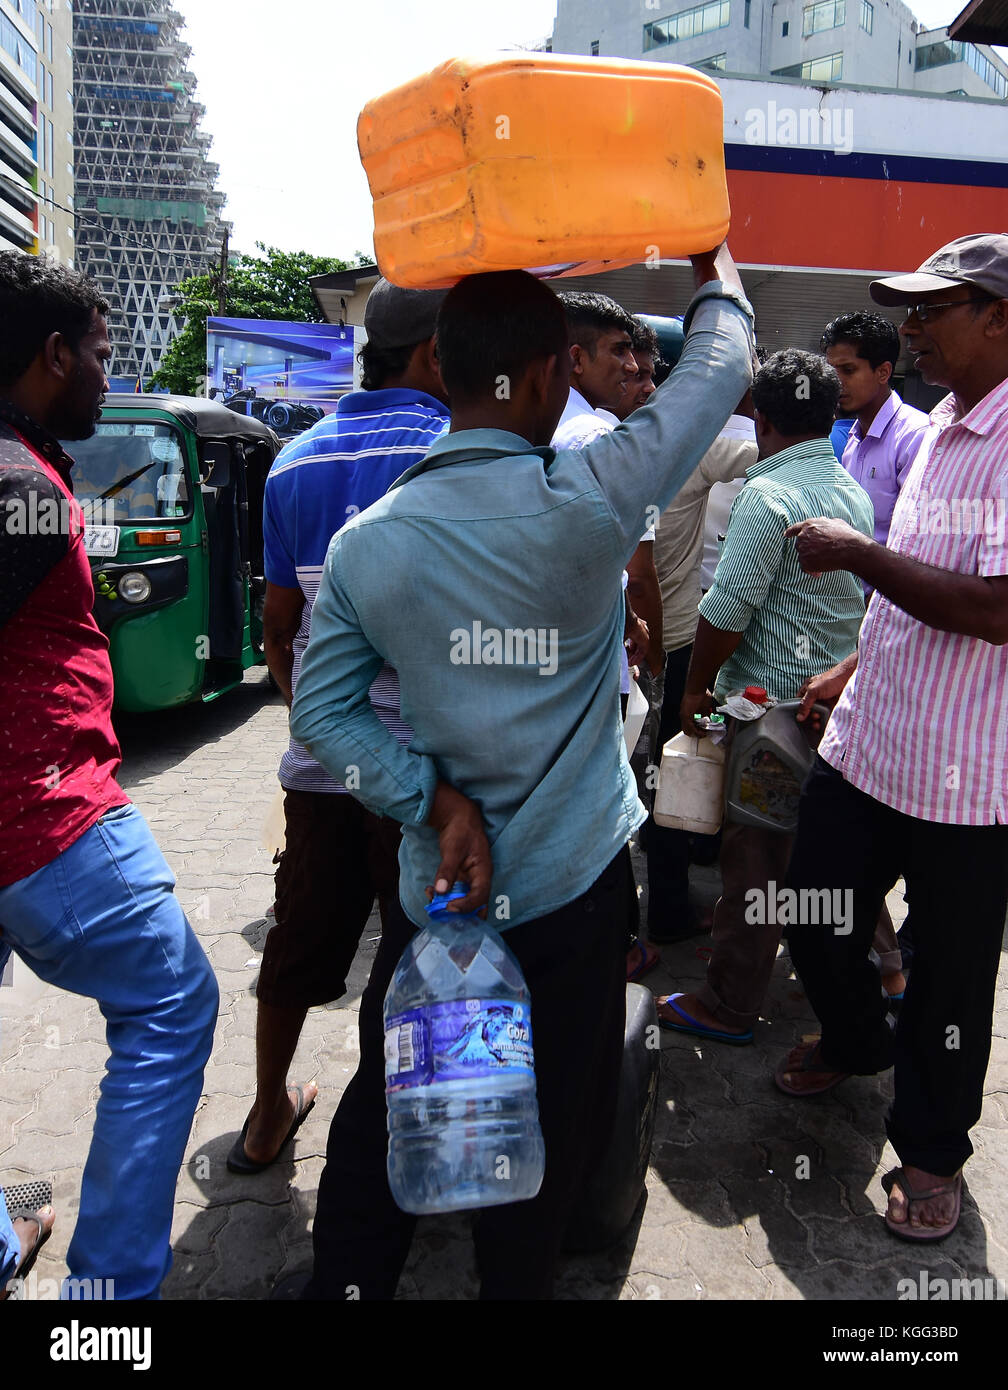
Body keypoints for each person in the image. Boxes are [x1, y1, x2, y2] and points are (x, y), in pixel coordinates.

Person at [288, 245, 754, 1299]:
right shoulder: (592, 494)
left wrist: (429, 798)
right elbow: (721, 367)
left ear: (442, 372)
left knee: (398, 1099)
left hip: (438, 898)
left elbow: (319, 714)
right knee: (544, 1125)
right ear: (548, 375)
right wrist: (711, 265)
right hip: (569, 894)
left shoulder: (372, 540)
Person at [774, 233, 1008, 1244]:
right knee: (816, 911)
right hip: (871, 742)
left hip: (966, 776)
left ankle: (929, 1149)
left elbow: (996, 609)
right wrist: (854, 667)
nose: (910, 329)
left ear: (999, 316)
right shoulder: (948, 423)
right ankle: (862, 1038)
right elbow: (922, 585)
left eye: (932, 310)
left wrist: (857, 555)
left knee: (950, 979)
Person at [0, 251, 218, 1300]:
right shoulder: (20, 488)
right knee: (173, 1006)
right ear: (51, 354)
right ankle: (108, 1300)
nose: (103, 369)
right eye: (97, 350)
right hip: (49, 820)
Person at [228, 281, 449, 1172]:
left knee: (300, 940)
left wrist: (316, 718)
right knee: (416, 957)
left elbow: (280, 624)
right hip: (431, 779)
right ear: (436, 354)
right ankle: (398, 1131)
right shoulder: (457, 452)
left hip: (321, 769)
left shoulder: (296, 459)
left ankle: (264, 1113)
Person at [655, 350, 873, 1044]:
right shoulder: (849, 489)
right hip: (831, 705)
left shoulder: (765, 493)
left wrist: (695, 688)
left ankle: (731, 1001)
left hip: (767, 708)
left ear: (761, 414)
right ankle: (881, 969)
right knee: (829, 848)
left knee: (755, 861)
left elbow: (728, 607)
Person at [551, 296, 664, 982]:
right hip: (595, 664)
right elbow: (631, 568)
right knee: (603, 807)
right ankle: (612, 949)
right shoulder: (595, 436)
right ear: (574, 359)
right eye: (618, 352)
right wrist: (641, 632)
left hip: (547, 663)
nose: (634, 367)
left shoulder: (535, 429)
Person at [646, 386, 757, 943]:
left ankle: (661, 886)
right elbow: (779, 447)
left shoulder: (612, 444)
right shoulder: (691, 446)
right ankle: (668, 904)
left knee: (648, 767)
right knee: (677, 764)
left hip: (632, 638)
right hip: (676, 635)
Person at [822, 311, 930, 553]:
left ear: (883, 372)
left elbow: (917, 541)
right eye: (832, 370)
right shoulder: (854, 436)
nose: (836, 381)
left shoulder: (916, 436)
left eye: (848, 370)